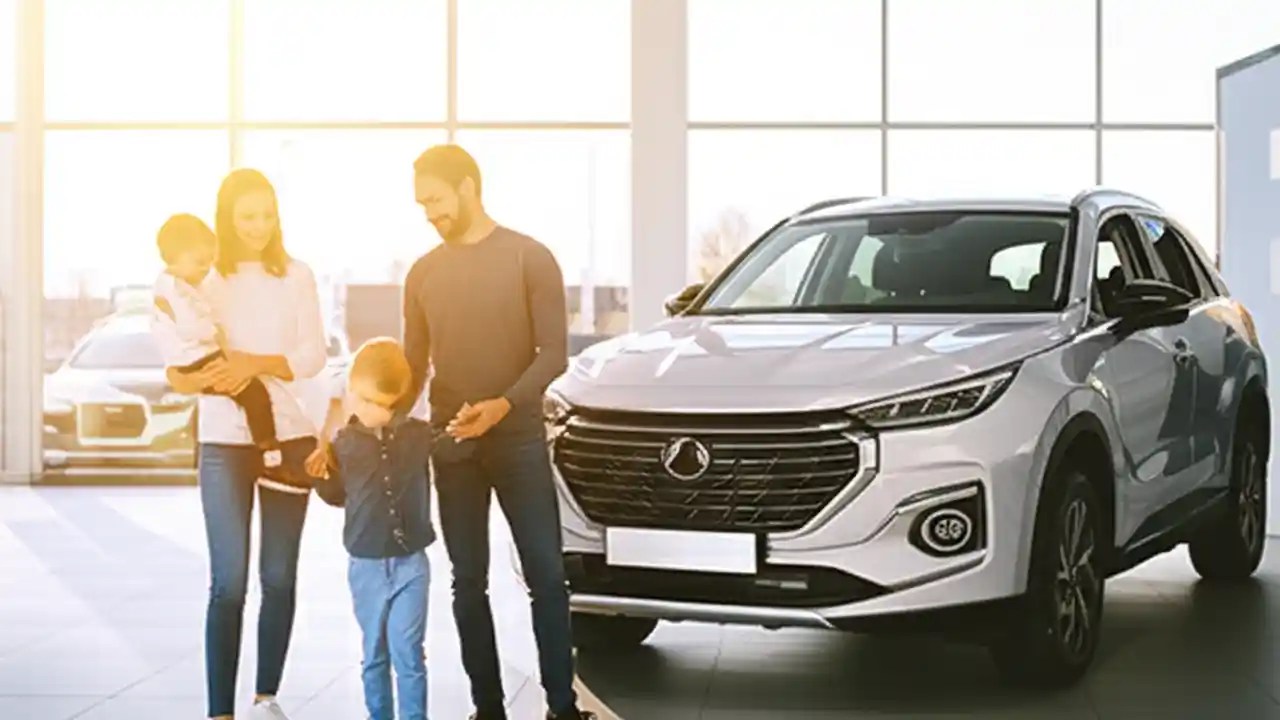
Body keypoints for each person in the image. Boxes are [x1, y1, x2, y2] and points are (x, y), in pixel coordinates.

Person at [401, 143, 592, 720]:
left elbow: (552, 354)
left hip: (518, 440)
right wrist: (366, 423)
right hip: (452, 441)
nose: (429, 213)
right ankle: (487, 709)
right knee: (467, 581)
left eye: (435, 199)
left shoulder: (529, 258)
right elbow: (412, 369)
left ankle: (562, 708)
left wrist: (502, 406)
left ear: (467, 186)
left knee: (546, 575)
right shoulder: (422, 273)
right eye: (421, 204)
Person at [164, 168, 327, 720]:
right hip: (222, 443)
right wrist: (205, 377)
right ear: (226, 219)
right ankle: (220, 713)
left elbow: (312, 356)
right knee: (228, 583)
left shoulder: (297, 275)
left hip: (288, 438)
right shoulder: (203, 280)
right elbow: (178, 369)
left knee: (278, 577)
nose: (259, 226)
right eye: (247, 216)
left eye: (267, 215)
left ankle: (265, 700)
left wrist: (251, 365)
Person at [313, 337, 435, 720]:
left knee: (409, 652)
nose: (363, 407)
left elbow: (451, 446)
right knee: (374, 653)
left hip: (411, 565)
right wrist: (320, 473)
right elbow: (336, 495)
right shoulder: (344, 443)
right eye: (359, 397)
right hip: (365, 565)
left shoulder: (418, 436)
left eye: (375, 403)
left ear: (395, 402)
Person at [150, 212, 307, 495]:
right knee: (254, 394)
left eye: (208, 261)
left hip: (193, 360)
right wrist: (215, 331)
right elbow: (190, 327)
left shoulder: (178, 285)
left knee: (248, 393)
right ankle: (270, 455)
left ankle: (267, 453)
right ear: (174, 257)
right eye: (199, 261)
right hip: (197, 359)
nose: (205, 268)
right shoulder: (174, 289)